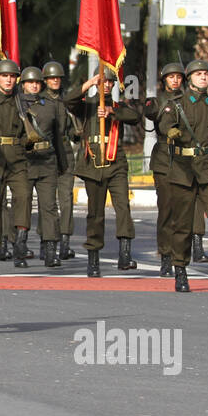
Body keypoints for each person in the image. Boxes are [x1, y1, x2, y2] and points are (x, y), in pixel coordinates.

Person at [157, 58, 208, 291]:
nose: (203, 77)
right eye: (198, 73)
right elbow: (164, 123)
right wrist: (170, 131)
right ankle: (180, 270)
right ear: (189, 77)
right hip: (182, 167)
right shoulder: (176, 104)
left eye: (206, 74)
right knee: (182, 221)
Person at [68, 68, 141, 277]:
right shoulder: (88, 106)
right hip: (93, 164)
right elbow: (69, 101)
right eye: (103, 81)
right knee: (95, 214)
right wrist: (90, 83)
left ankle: (125, 254)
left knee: (123, 208)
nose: (107, 85)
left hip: (116, 164)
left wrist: (111, 112)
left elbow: (134, 116)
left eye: (110, 82)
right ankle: (93, 259)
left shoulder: (118, 106)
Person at [19, 66, 71, 267]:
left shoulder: (50, 105)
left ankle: (50, 250)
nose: (34, 85)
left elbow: (57, 136)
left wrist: (61, 163)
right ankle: (20, 247)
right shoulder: (16, 104)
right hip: (26, 161)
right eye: (30, 82)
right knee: (22, 205)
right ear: (23, 84)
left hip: (47, 161)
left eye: (37, 82)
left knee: (49, 207)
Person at [0, 58, 34, 269]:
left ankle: (20, 244)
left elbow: (31, 129)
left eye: (12, 76)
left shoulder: (23, 100)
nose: (8, 79)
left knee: (23, 196)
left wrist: (30, 141)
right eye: (4, 76)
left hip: (17, 156)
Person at [144, 62, 188, 276]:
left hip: (186, 161)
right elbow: (151, 114)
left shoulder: (190, 101)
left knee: (184, 212)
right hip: (164, 160)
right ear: (164, 80)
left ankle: (183, 253)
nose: (175, 80)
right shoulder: (158, 100)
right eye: (171, 77)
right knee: (166, 210)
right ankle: (166, 255)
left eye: (178, 77)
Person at [42, 60, 79, 260]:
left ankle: (64, 242)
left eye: (58, 78)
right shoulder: (39, 101)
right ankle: (46, 242)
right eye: (51, 78)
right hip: (47, 152)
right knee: (47, 201)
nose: (55, 81)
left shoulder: (66, 101)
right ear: (45, 80)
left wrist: (77, 133)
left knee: (66, 200)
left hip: (65, 152)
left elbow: (72, 129)